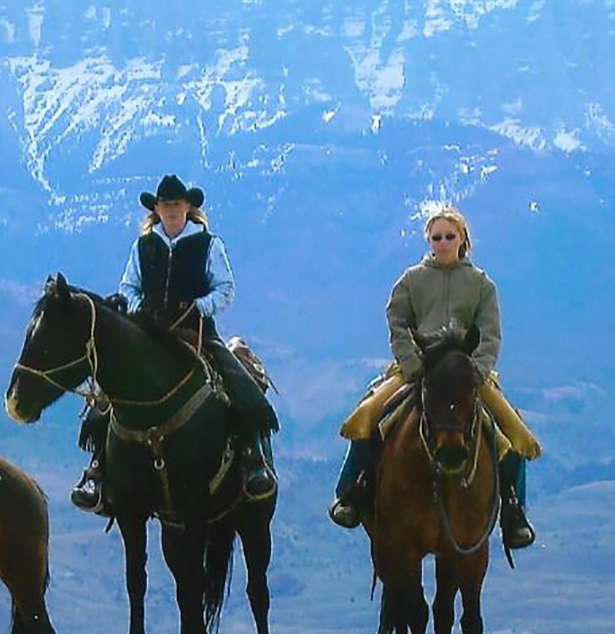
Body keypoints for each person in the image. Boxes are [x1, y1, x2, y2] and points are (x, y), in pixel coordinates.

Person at [327, 207, 541, 550]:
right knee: (369, 414)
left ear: (462, 239)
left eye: (449, 237)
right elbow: (397, 322)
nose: (442, 243)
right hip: (417, 369)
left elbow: (490, 334)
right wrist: (412, 363)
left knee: (513, 432)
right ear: (429, 240)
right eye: (436, 237)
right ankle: (351, 490)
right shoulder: (411, 280)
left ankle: (514, 511)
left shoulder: (482, 285)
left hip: (466, 375)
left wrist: (477, 371)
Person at [71, 174, 279, 514]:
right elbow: (128, 287)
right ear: (156, 209)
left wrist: (199, 307)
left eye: (177, 204)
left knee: (241, 385)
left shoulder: (208, 244)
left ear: (187, 207)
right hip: (148, 334)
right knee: (108, 396)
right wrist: (140, 308)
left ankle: (253, 459)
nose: (171, 210)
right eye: (165, 205)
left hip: (196, 333)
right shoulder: (143, 246)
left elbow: (225, 288)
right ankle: (98, 470)